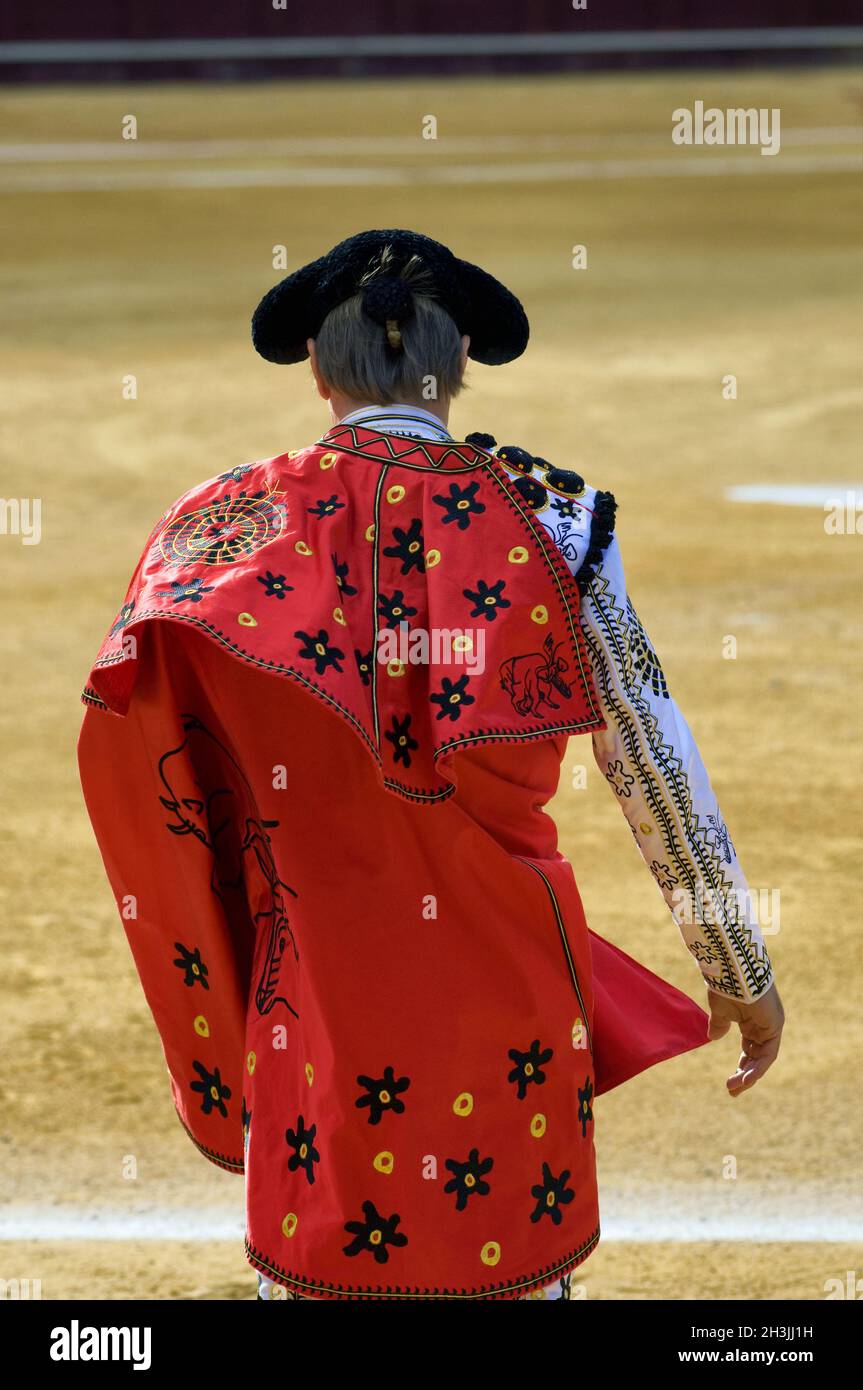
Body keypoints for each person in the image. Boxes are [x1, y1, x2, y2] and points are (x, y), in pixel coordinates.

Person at [78, 229, 783, 1302]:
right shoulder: (555, 521)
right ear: (456, 368)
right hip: (501, 985)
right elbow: (649, 758)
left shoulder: (217, 529)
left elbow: (149, 741)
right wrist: (737, 968)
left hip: (313, 984)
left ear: (318, 369)